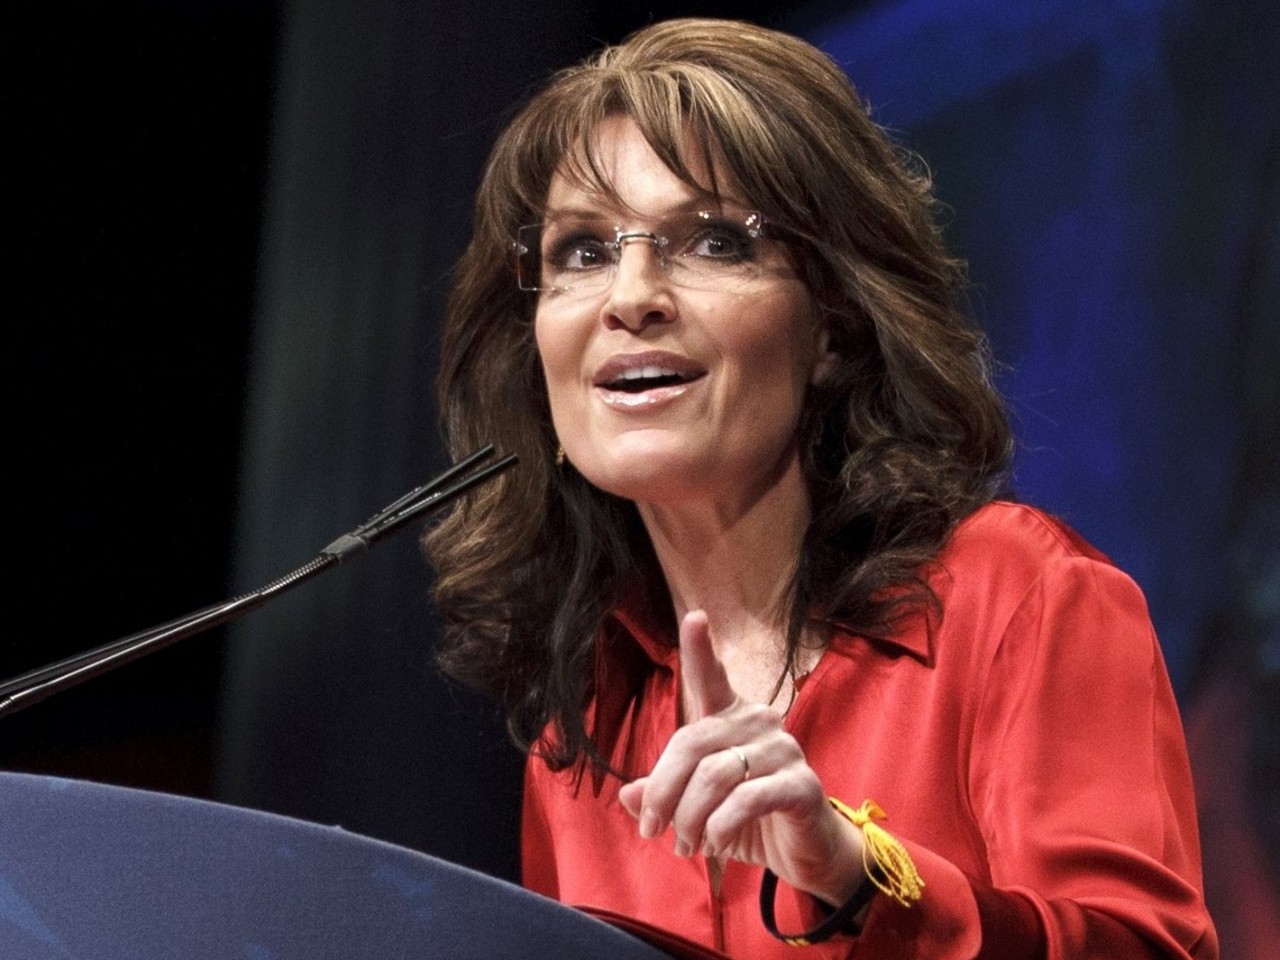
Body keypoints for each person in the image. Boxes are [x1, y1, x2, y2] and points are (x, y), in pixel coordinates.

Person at [425, 18, 1217, 960]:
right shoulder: (584, 726)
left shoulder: (1024, 597)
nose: (627, 296)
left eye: (713, 241)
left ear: (835, 324)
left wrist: (857, 878)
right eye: (582, 252)